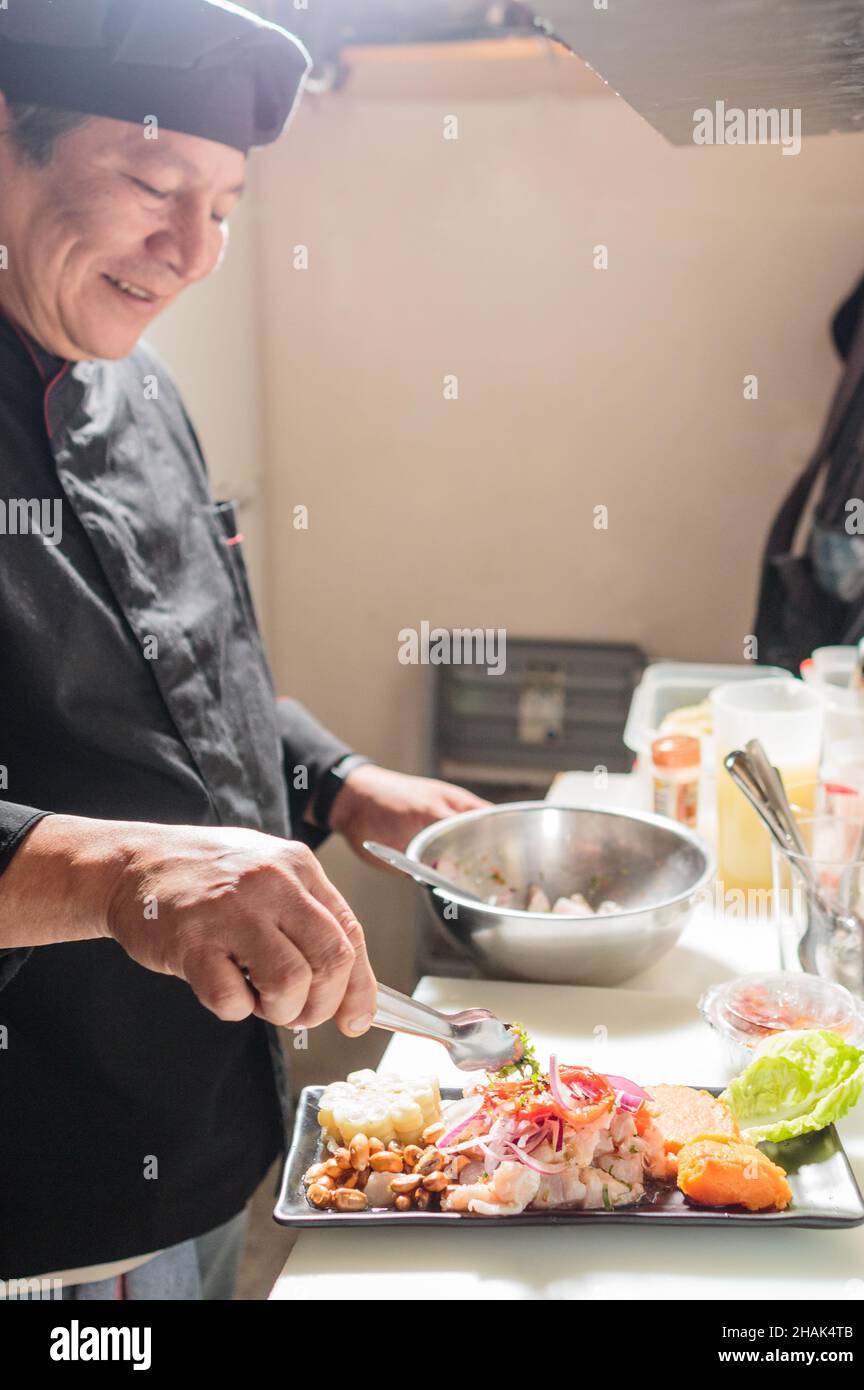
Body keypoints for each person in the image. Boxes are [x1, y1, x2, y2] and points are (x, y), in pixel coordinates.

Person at [0, 0, 483, 1299]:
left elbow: (191, 673)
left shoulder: (140, 384)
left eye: (225, 203)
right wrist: (124, 872)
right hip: (46, 1190)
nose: (195, 250)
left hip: (216, 1126)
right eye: (155, 184)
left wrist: (340, 784)